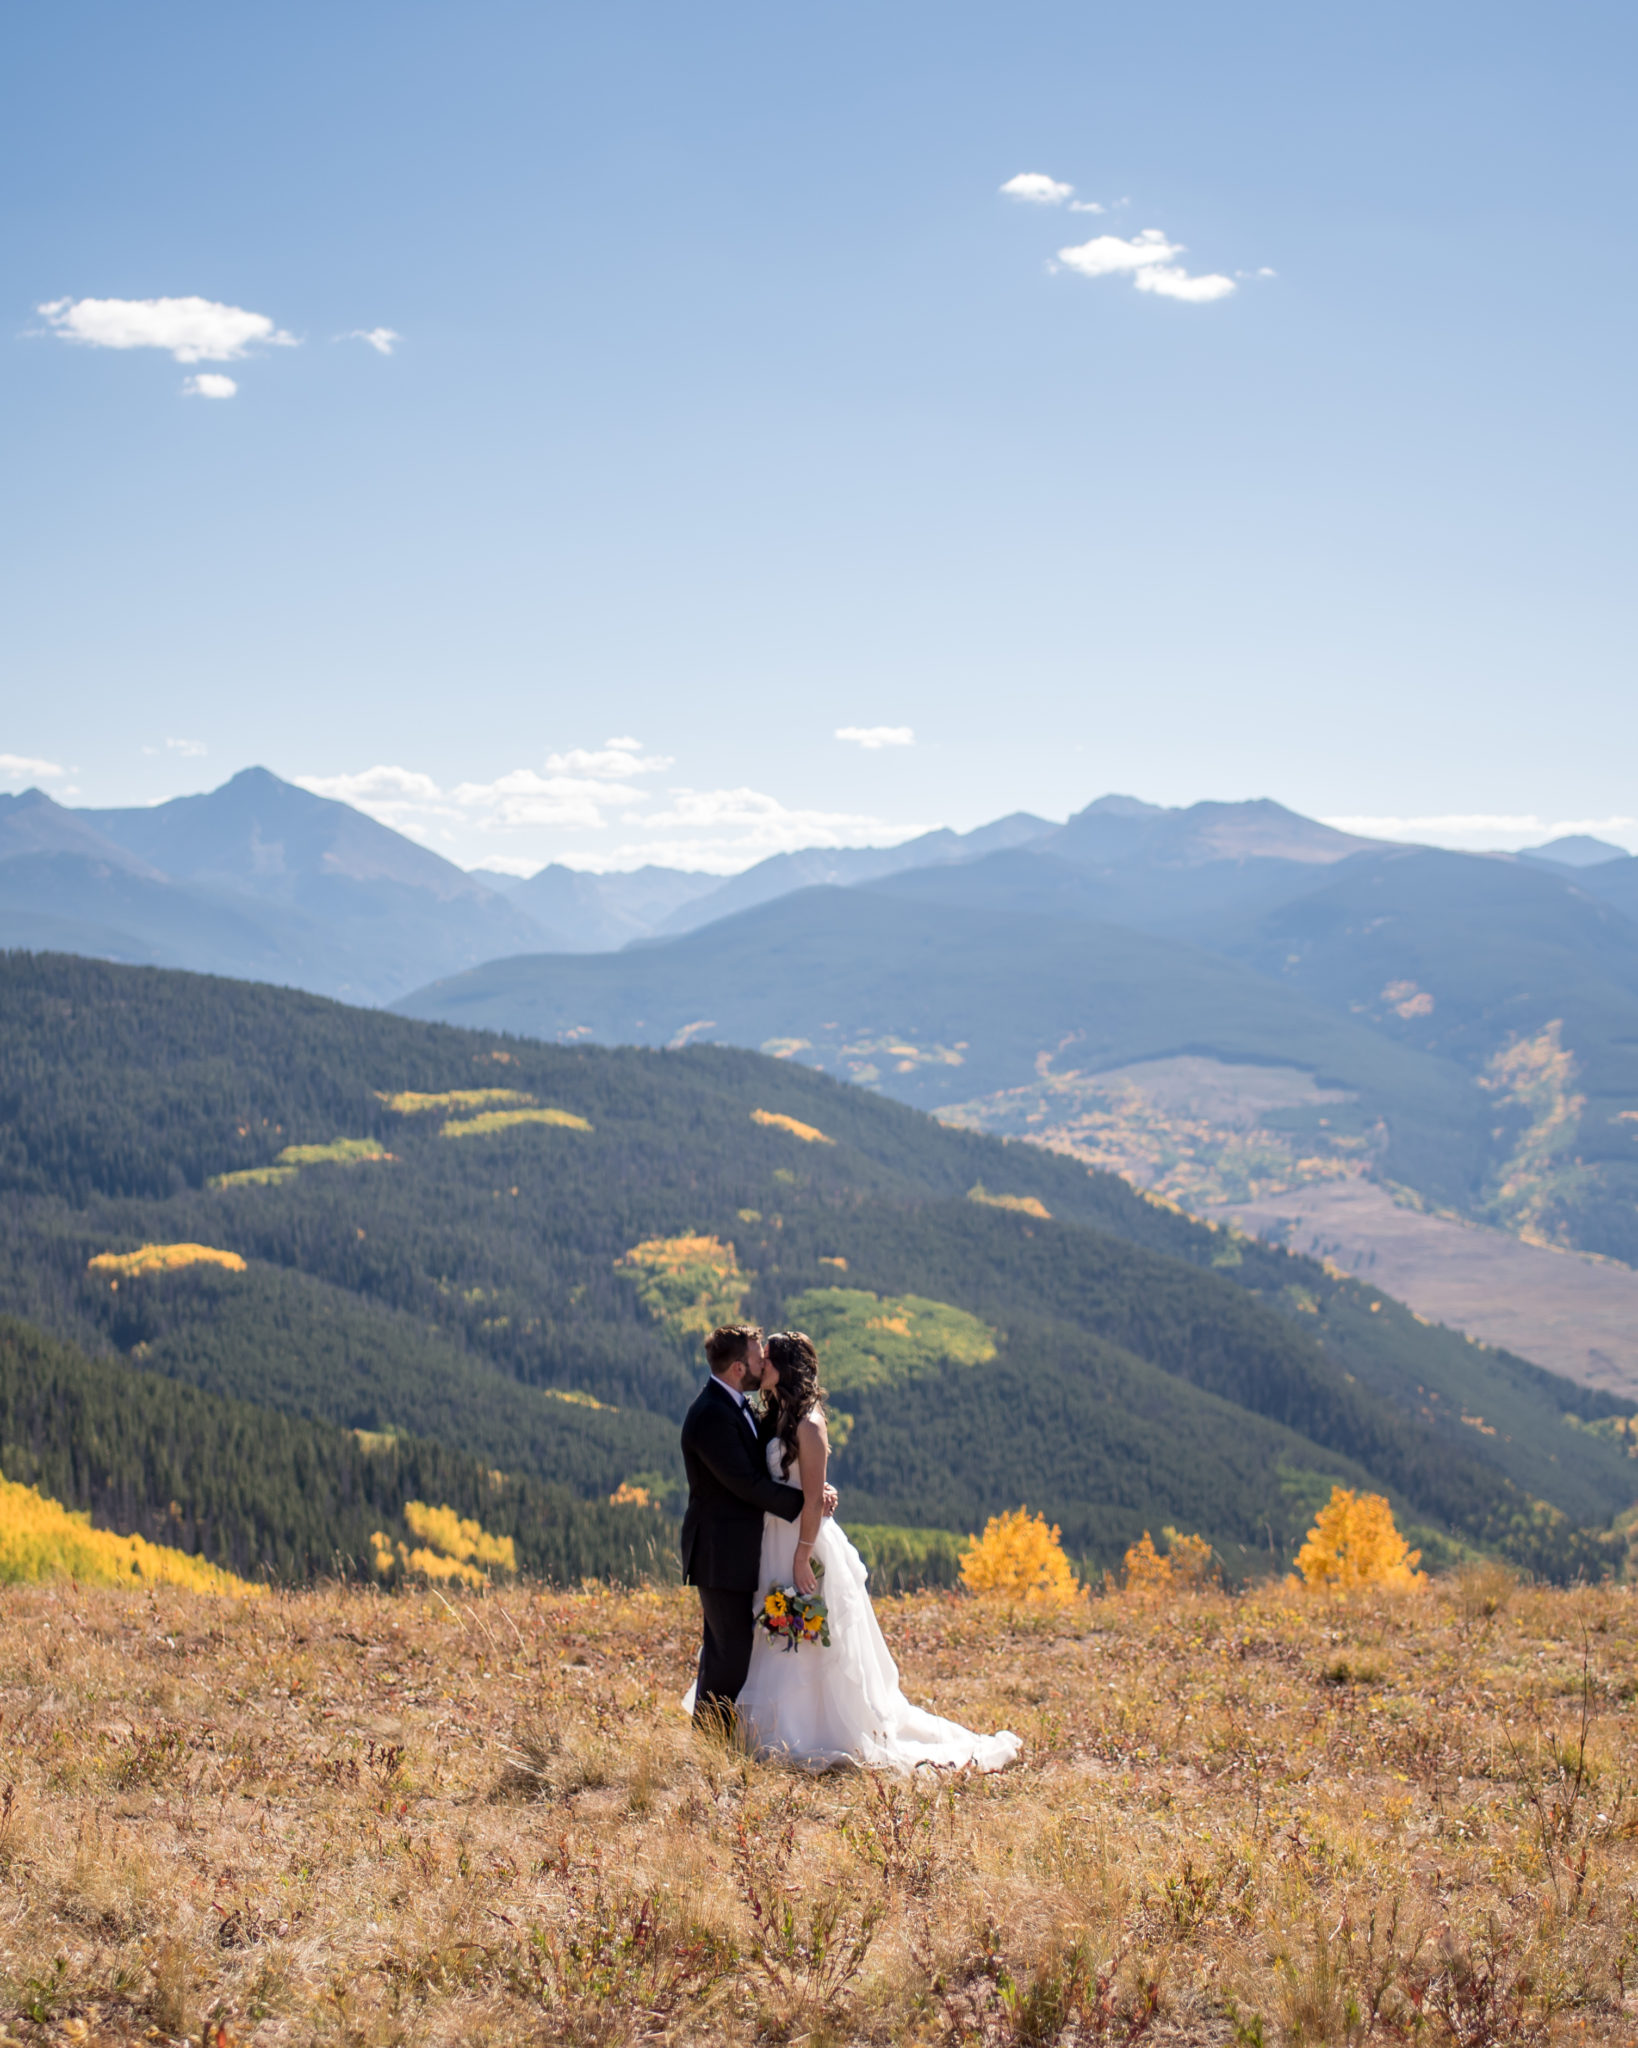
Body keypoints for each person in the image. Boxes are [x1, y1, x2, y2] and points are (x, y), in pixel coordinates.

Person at [731, 1330, 1021, 1773]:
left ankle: (812, 1728)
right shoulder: (777, 1415)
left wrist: (801, 1555)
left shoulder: (809, 1423)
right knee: (774, 1630)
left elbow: (811, 1499)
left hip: (802, 1542)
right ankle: (775, 1727)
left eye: (767, 1359)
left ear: (785, 1367)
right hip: (773, 1539)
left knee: (810, 1636)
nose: (760, 1366)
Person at [679, 1322, 835, 1733]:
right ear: (737, 1368)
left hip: (751, 1547)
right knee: (728, 1651)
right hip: (720, 1551)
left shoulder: (748, 1407)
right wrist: (809, 1504)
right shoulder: (712, 1414)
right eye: (755, 1356)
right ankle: (712, 1740)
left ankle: (723, 1736)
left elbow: (786, 1462)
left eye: (766, 1356)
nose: (761, 1360)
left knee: (732, 1648)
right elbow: (747, 1484)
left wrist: (816, 1489)